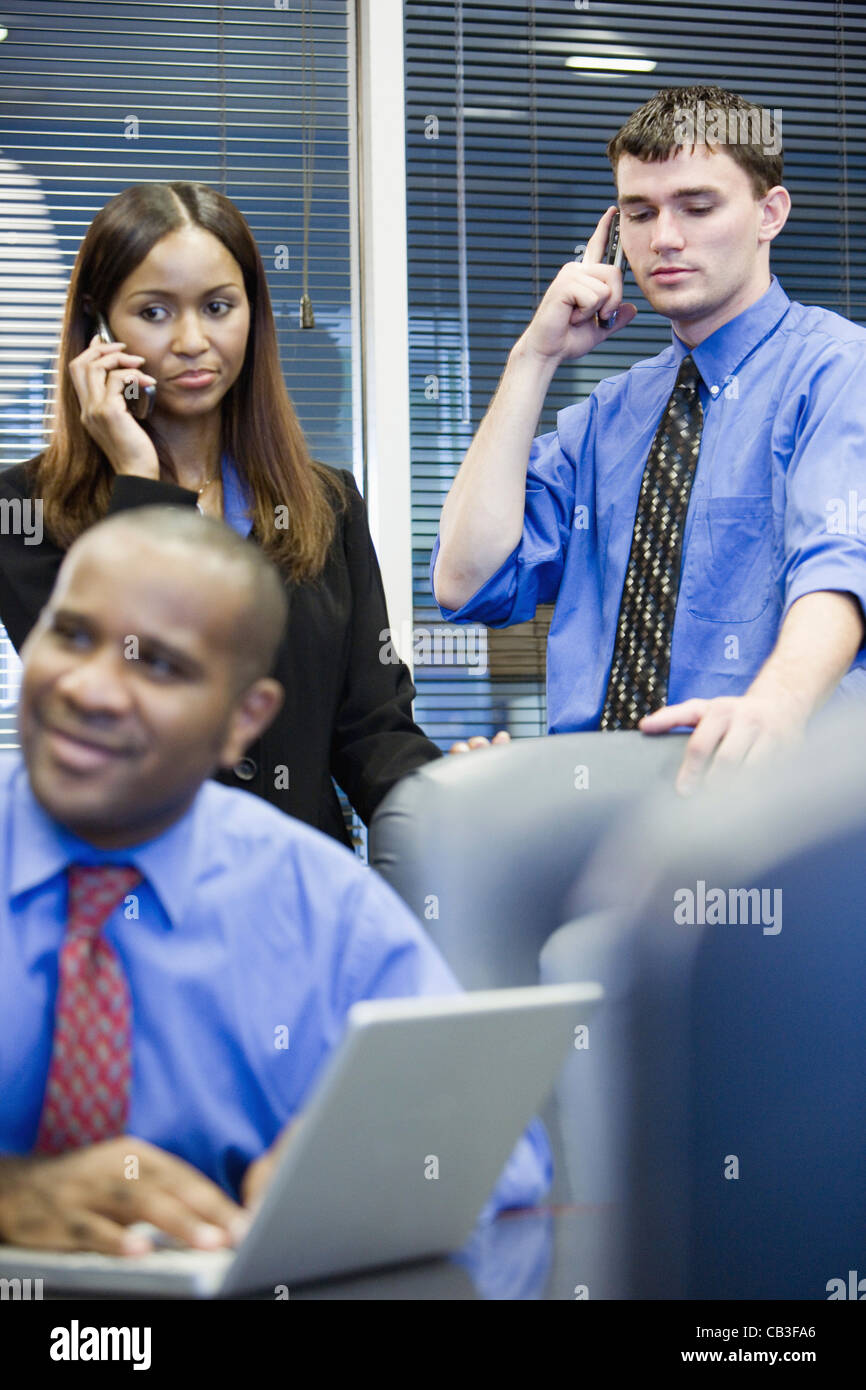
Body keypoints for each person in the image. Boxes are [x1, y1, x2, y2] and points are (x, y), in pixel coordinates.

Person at [0, 506, 549, 1255]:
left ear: (242, 720)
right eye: (71, 636)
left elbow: (496, 1148)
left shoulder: (318, 901)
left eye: (159, 665)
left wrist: (371, 1167)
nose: (92, 690)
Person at [0, 180, 502, 851]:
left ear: (251, 311)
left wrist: (452, 795)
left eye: (217, 306)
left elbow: (370, 732)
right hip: (130, 892)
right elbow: (126, 699)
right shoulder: (27, 511)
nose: (191, 340)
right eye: (154, 312)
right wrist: (138, 479)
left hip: (298, 893)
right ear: (100, 325)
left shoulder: (325, 504)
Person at [432, 85, 866, 795]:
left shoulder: (839, 371)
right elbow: (468, 578)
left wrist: (777, 707)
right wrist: (532, 360)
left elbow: (839, 567)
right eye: (640, 212)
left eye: (697, 207)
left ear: (769, 213)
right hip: (596, 815)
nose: (664, 237)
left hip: (765, 805)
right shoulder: (609, 414)